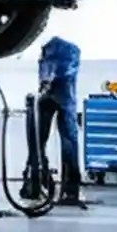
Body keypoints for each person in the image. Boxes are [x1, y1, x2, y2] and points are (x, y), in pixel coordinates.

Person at [21, 36, 84, 206]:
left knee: (38, 141)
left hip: (57, 95)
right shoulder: (69, 52)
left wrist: (46, 82)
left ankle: (38, 184)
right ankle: (66, 190)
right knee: (60, 141)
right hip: (63, 97)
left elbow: (53, 70)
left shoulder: (58, 50)